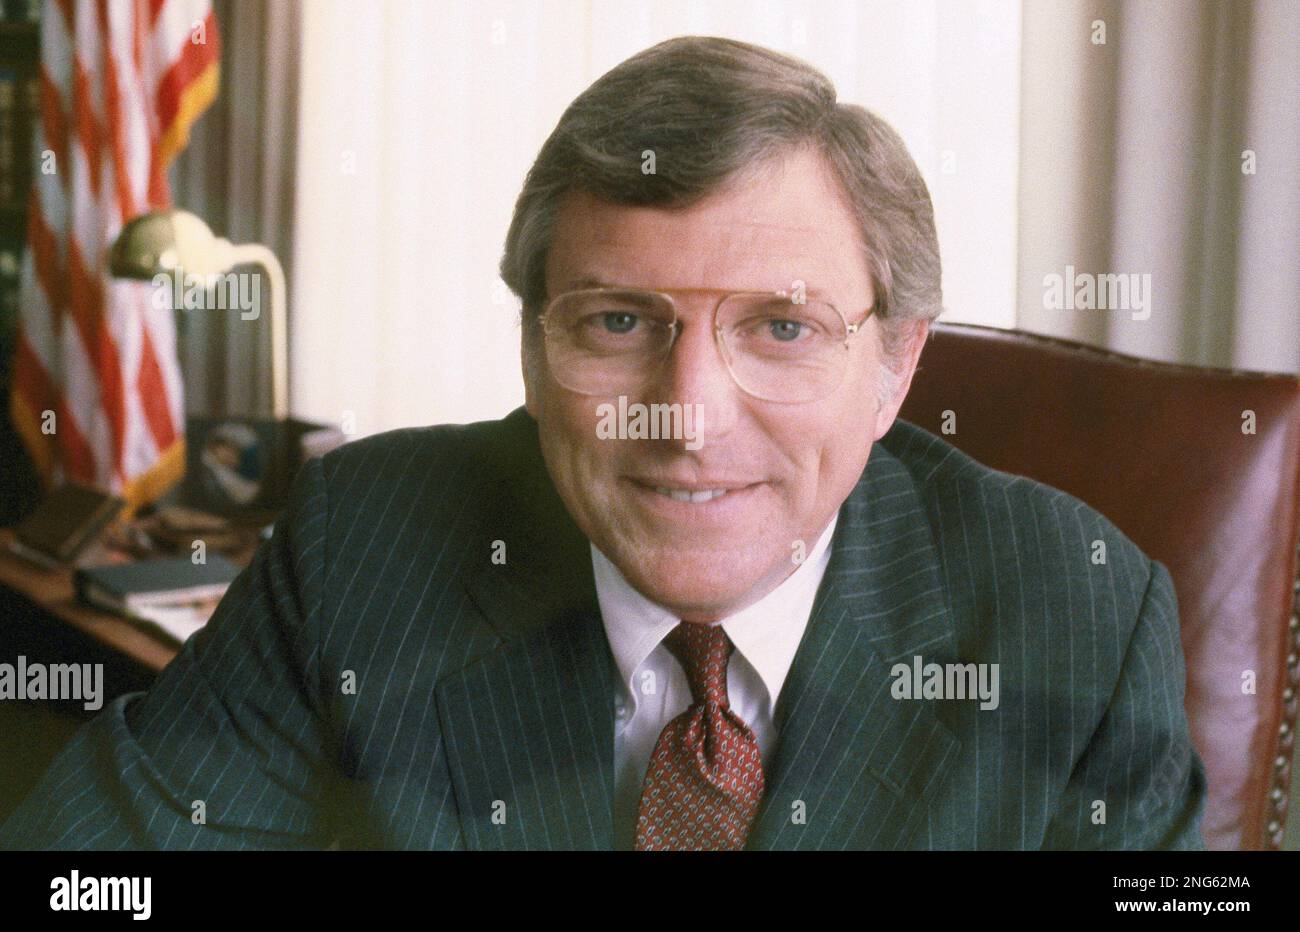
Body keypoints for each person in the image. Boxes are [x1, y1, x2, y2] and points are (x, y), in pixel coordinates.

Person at [0, 35, 1205, 851]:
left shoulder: (1081, 617)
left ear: (894, 364)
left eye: (781, 327)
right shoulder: (361, 540)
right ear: (532, 348)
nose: (685, 417)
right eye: (620, 321)